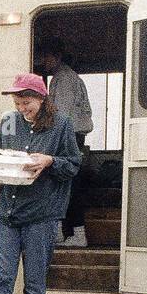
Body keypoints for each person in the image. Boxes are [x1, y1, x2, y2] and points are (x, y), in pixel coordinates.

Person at [0, 73, 81, 294]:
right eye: (17, 102)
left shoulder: (61, 124)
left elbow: (73, 164)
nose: (21, 108)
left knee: (34, 283)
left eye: (27, 103)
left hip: (42, 215)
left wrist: (49, 161)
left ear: (41, 99)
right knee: (3, 278)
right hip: (8, 212)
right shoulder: (8, 121)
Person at [35, 41, 94, 248]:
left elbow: (62, 115)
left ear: (57, 56)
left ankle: (76, 233)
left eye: (46, 57)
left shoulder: (64, 79)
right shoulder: (67, 77)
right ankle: (61, 232)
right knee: (64, 184)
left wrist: (50, 140)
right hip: (72, 135)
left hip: (70, 136)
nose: (43, 62)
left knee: (67, 185)